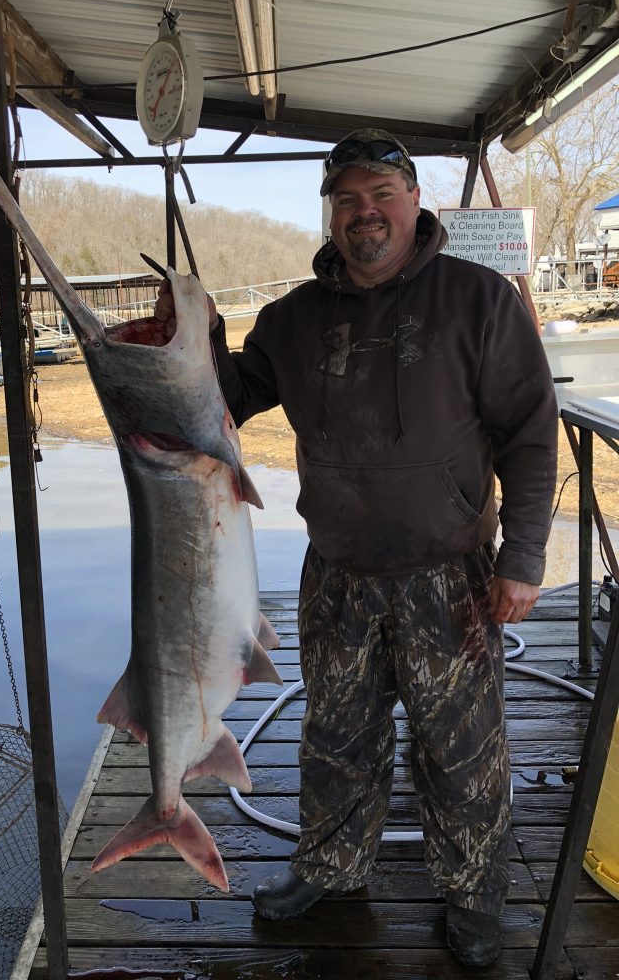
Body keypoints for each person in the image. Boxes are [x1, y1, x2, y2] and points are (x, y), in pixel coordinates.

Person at [155, 127, 558, 968]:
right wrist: (186, 346)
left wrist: (523, 557)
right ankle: (333, 871)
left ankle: (474, 891)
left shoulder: (479, 302)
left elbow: (529, 430)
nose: (364, 214)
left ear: (415, 202)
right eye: (347, 200)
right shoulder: (294, 320)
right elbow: (226, 402)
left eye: (381, 196)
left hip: (449, 576)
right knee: (336, 737)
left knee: (462, 748)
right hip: (337, 573)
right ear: (331, 213)